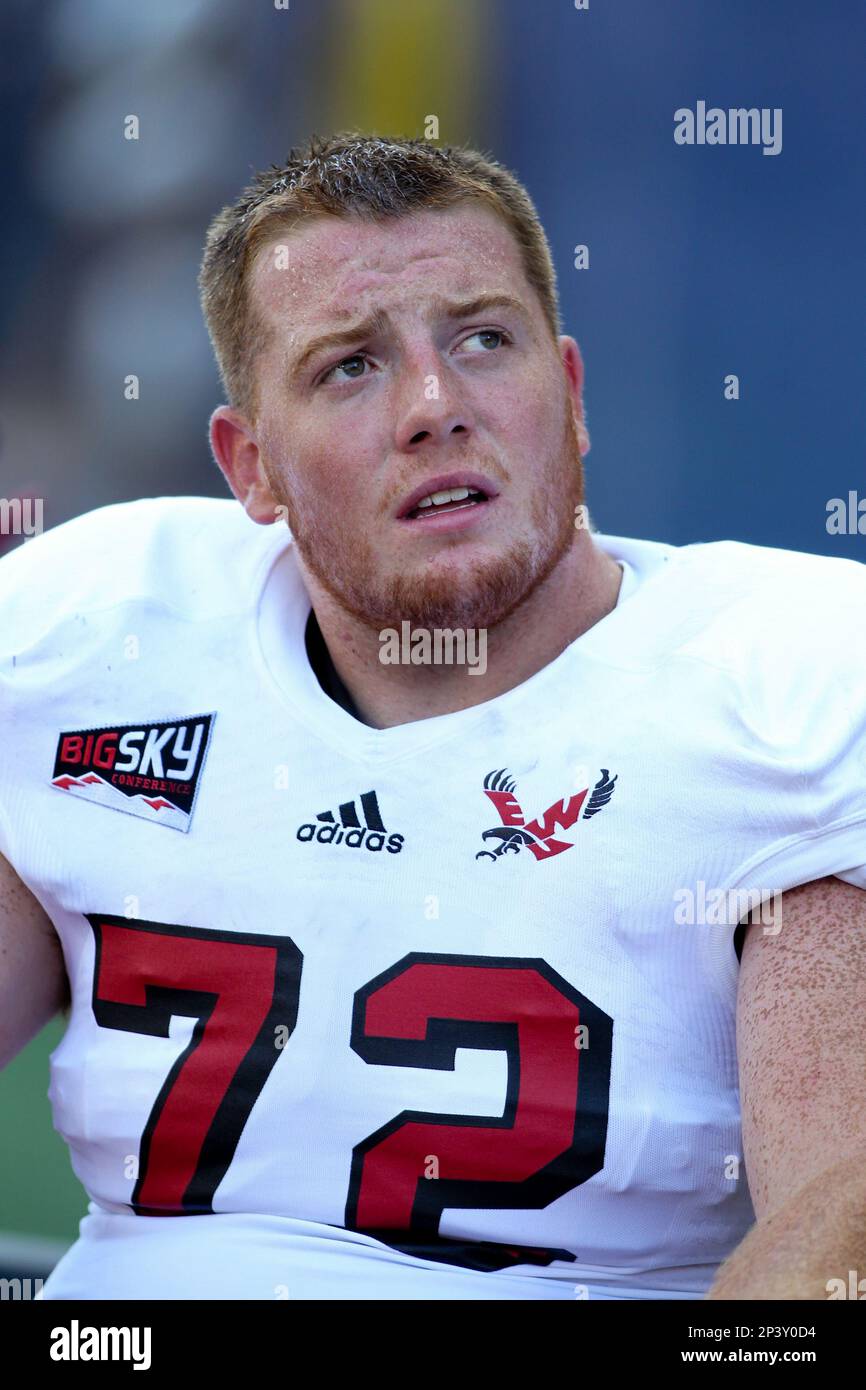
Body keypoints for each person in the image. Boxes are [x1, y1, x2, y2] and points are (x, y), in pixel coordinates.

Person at [1, 133, 864, 1301]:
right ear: (248, 467)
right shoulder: (91, 636)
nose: (432, 406)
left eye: (480, 339)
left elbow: (840, 1224)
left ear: (567, 397)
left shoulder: (783, 682)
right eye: (349, 366)